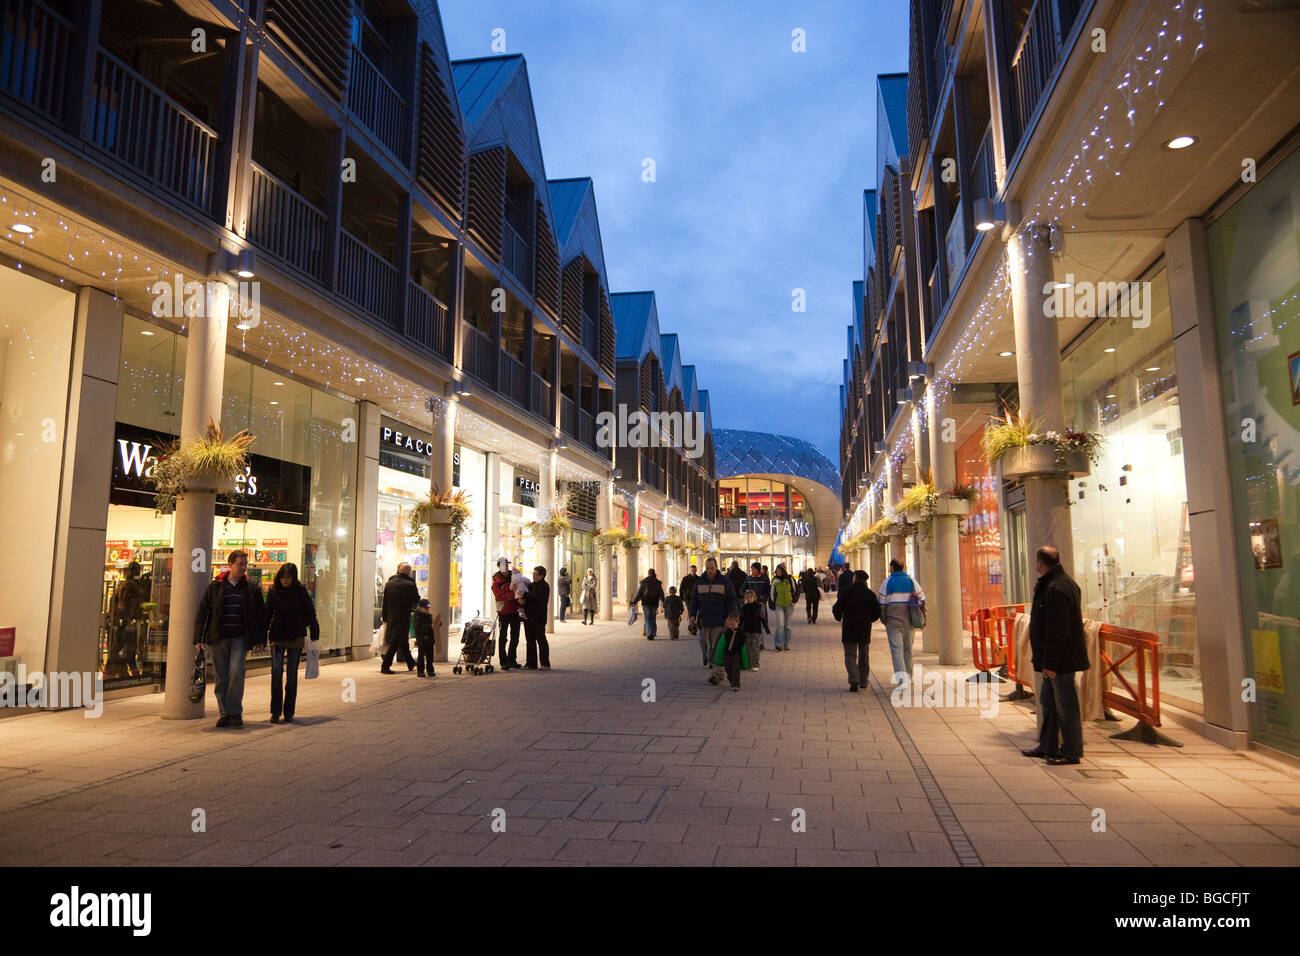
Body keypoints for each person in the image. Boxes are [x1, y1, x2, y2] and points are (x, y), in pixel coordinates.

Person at [1023, 546, 1090, 765]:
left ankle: (1071, 751)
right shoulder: (1055, 583)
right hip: (1055, 658)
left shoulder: (1056, 588)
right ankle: (1047, 745)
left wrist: (1050, 662)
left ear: (1040, 563)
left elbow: (1057, 631)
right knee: (1049, 703)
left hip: (1061, 661)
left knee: (1066, 706)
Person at [194, 550, 267, 728]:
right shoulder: (216, 586)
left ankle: (235, 712)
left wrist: (260, 639)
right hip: (219, 637)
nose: (243, 567)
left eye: (245, 564)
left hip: (240, 638)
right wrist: (199, 638)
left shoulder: (251, 588)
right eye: (240, 563)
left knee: (236, 672)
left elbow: (260, 616)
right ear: (230, 564)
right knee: (221, 676)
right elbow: (204, 613)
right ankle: (224, 713)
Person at [266, 562, 320, 721]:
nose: (285, 580)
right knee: (276, 673)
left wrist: (314, 632)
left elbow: (310, 612)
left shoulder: (300, 591)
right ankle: (275, 711)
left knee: (291, 675)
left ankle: (289, 711)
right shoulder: (274, 592)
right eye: (283, 577)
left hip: (296, 636)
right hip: (277, 636)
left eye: (288, 577)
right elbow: (267, 613)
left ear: (293, 577)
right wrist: (262, 633)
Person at [690, 557, 740, 683]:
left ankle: (717, 675)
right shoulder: (700, 581)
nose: (709, 571)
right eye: (707, 568)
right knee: (706, 645)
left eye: (712, 568)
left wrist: (732, 616)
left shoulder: (724, 581)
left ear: (716, 567)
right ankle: (716, 670)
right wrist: (692, 615)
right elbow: (694, 599)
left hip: (720, 620)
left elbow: (731, 600)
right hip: (704, 620)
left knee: (716, 647)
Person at [833, 569, 881, 692]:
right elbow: (877, 612)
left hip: (849, 626)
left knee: (850, 654)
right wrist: (870, 619)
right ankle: (863, 681)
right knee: (864, 655)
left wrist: (839, 617)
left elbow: (837, 608)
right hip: (864, 628)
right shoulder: (870, 594)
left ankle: (854, 678)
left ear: (855, 578)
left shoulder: (846, 592)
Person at [879, 559, 925, 684]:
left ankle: (901, 678)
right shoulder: (911, 580)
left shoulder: (887, 582)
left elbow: (882, 604)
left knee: (896, 650)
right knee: (907, 650)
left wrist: (884, 619)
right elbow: (922, 599)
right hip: (909, 622)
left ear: (892, 567)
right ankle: (909, 676)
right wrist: (922, 617)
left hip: (893, 622)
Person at [380, 561, 421, 674]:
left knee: (402, 640)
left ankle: (410, 662)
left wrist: (384, 617)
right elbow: (416, 599)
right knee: (395, 642)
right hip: (403, 616)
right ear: (409, 572)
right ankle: (385, 666)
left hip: (391, 616)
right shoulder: (409, 584)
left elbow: (385, 602)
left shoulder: (390, 582)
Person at [491, 562, 522, 669]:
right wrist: (513, 594)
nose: (506, 568)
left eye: (507, 565)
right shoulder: (496, 581)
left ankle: (512, 659)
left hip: (515, 611)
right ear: (499, 567)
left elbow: (521, 587)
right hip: (503, 612)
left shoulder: (514, 576)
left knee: (515, 637)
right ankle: (503, 662)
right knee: (503, 637)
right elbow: (498, 596)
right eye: (503, 565)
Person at [523, 566, 551, 669]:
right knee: (529, 640)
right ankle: (531, 663)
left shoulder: (544, 586)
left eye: (536, 574)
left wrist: (526, 595)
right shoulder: (531, 585)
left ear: (542, 576)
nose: (533, 576)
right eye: (533, 574)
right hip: (528, 616)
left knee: (541, 639)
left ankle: (545, 663)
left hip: (539, 617)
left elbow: (535, 597)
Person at [744, 562, 771, 647]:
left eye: (754, 569)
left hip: (760, 603)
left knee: (760, 621)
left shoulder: (764, 579)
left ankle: (761, 642)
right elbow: (742, 589)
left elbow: (768, 590)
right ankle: (750, 641)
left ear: (758, 569)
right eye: (752, 569)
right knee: (749, 622)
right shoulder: (748, 579)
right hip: (749, 604)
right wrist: (746, 595)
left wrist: (764, 596)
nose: (752, 571)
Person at [717, 612, 746, 692]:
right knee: (728, 668)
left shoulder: (741, 632)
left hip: (737, 653)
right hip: (728, 653)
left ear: (738, 623)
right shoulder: (727, 632)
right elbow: (724, 642)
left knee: (735, 668)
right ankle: (731, 680)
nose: (731, 626)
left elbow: (744, 642)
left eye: (733, 624)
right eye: (730, 624)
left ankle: (736, 684)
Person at [771, 564, 797, 651]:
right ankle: (778, 644)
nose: (777, 572)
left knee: (788, 626)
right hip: (779, 605)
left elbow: (795, 590)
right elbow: (771, 593)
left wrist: (794, 601)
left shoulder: (790, 579)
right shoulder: (775, 580)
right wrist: (772, 603)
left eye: (779, 571)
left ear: (783, 571)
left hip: (789, 605)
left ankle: (786, 644)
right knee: (780, 625)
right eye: (776, 571)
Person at [634, 568, 665, 639]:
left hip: (646, 602)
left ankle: (649, 633)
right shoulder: (657, 582)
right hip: (654, 603)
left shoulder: (643, 582)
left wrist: (635, 602)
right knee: (653, 618)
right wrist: (664, 603)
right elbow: (661, 594)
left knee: (647, 618)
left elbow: (639, 594)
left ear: (648, 573)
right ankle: (652, 632)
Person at [739, 589, 764, 670]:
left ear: (754, 597)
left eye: (751, 597)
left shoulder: (758, 606)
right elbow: (741, 619)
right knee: (747, 648)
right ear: (745, 598)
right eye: (747, 597)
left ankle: (755, 664)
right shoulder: (744, 607)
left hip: (756, 630)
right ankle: (748, 664)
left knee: (755, 648)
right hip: (746, 630)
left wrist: (766, 628)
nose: (749, 598)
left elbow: (762, 617)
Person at [413, 598, 436, 678]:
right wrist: (430, 626)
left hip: (430, 639)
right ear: (420, 608)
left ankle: (430, 670)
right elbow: (419, 628)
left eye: (428, 608)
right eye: (426, 608)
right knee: (421, 656)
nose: (427, 609)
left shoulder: (429, 616)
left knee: (430, 656)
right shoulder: (418, 617)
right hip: (422, 639)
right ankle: (420, 671)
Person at [679, 565, 699, 634]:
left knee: (695, 613)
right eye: (692, 570)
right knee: (691, 612)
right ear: (690, 571)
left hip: (697, 598)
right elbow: (681, 588)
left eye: (694, 570)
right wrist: (682, 598)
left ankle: (691, 627)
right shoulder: (685, 578)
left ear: (696, 570)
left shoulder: (698, 579)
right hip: (688, 598)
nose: (693, 572)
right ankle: (693, 628)